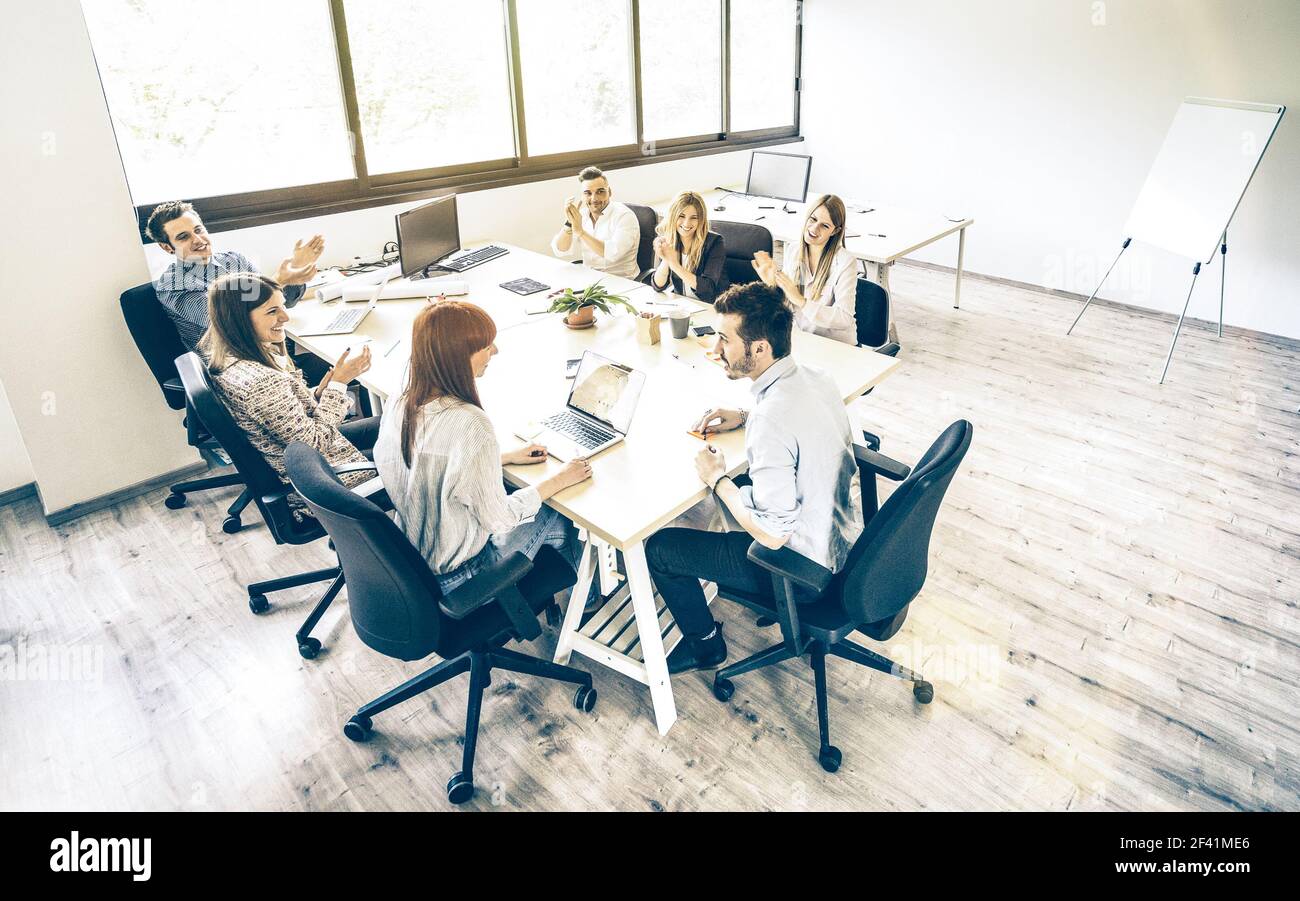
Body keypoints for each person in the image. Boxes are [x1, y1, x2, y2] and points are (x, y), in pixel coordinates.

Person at [645, 281, 863, 674]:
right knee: (740, 490)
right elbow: (795, 431)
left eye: (724, 340)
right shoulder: (816, 377)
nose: (714, 350)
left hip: (800, 569)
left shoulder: (771, 419)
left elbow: (773, 534)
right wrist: (743, 417)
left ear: (760, 348)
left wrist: (717, 479)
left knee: (660, 548)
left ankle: (706, 645)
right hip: (843, 538)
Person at [374, 301, 599, 602]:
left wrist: (502, 458)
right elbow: (500, 519)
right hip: (467, 575)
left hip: (416, 565)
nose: (495, 351)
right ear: (458, 356)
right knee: (562, 515)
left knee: (534, 499)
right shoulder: (470, 423)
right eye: (486, 345)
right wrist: (560, 479)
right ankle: (583, 607)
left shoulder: (400, 402)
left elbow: (428, 464)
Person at [201, 273, 377, 508]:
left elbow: (284, 418)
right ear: (240, 320)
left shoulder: (234, 358)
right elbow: (313, 443)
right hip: (322, 483)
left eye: (282, 306)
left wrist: (318, 394)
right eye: (272, 312)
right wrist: (339, 384)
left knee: (401, 424)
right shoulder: (260, 382)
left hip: (313, 463)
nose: (285, 317)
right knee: (411, 440)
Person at [148, 200, 324, 353]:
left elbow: (278, 306)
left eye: (198, 230)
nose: (198, 240)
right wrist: (278, 280)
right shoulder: (172, 285)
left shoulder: (234, 260)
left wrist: (295, 270)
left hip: (270, 349)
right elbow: (228, 321)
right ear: (167, 247)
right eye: (183, 237)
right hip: (232, 367)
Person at [751, 193, 858, 345]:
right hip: (802, 338)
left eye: (825, 225)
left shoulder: (845, 261)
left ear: (834, 231)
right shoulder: (794, 250)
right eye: (813, 219)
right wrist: (773, 286)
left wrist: (801, 301)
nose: (814, 228)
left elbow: (844, 317)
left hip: (835, 344)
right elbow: (787, 308)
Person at [549, 166, 641, 279]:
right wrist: (569, 223)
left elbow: (613, 254)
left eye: (600, 192)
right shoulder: (582, 215)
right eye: (588, 193)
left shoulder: (625, 216)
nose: (594, 199)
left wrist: (581, 232)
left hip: (621, 281)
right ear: (582, 196)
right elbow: (560, 250)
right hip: (589, 279)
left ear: (610, 192)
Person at [644, 190, 728, 303]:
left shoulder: (714, 243)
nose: (687, 223)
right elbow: (658, 286)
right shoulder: (670, 240)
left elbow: (708, 288)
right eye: (681, 216)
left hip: (713, 307)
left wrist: (675, 265)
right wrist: (666, 260)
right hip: (684, 304)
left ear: (701, 220)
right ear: (673, 217)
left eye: (694, 217)